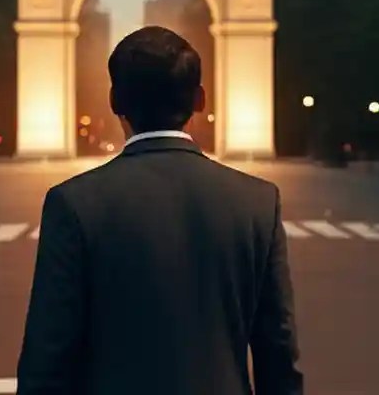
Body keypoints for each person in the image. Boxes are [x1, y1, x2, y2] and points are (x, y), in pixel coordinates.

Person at [17, 26, 303, 395]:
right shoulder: (257, 202)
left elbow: (47, 359)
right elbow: (278, 356)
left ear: (115, 101)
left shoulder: (73, 204)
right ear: (200, 99)